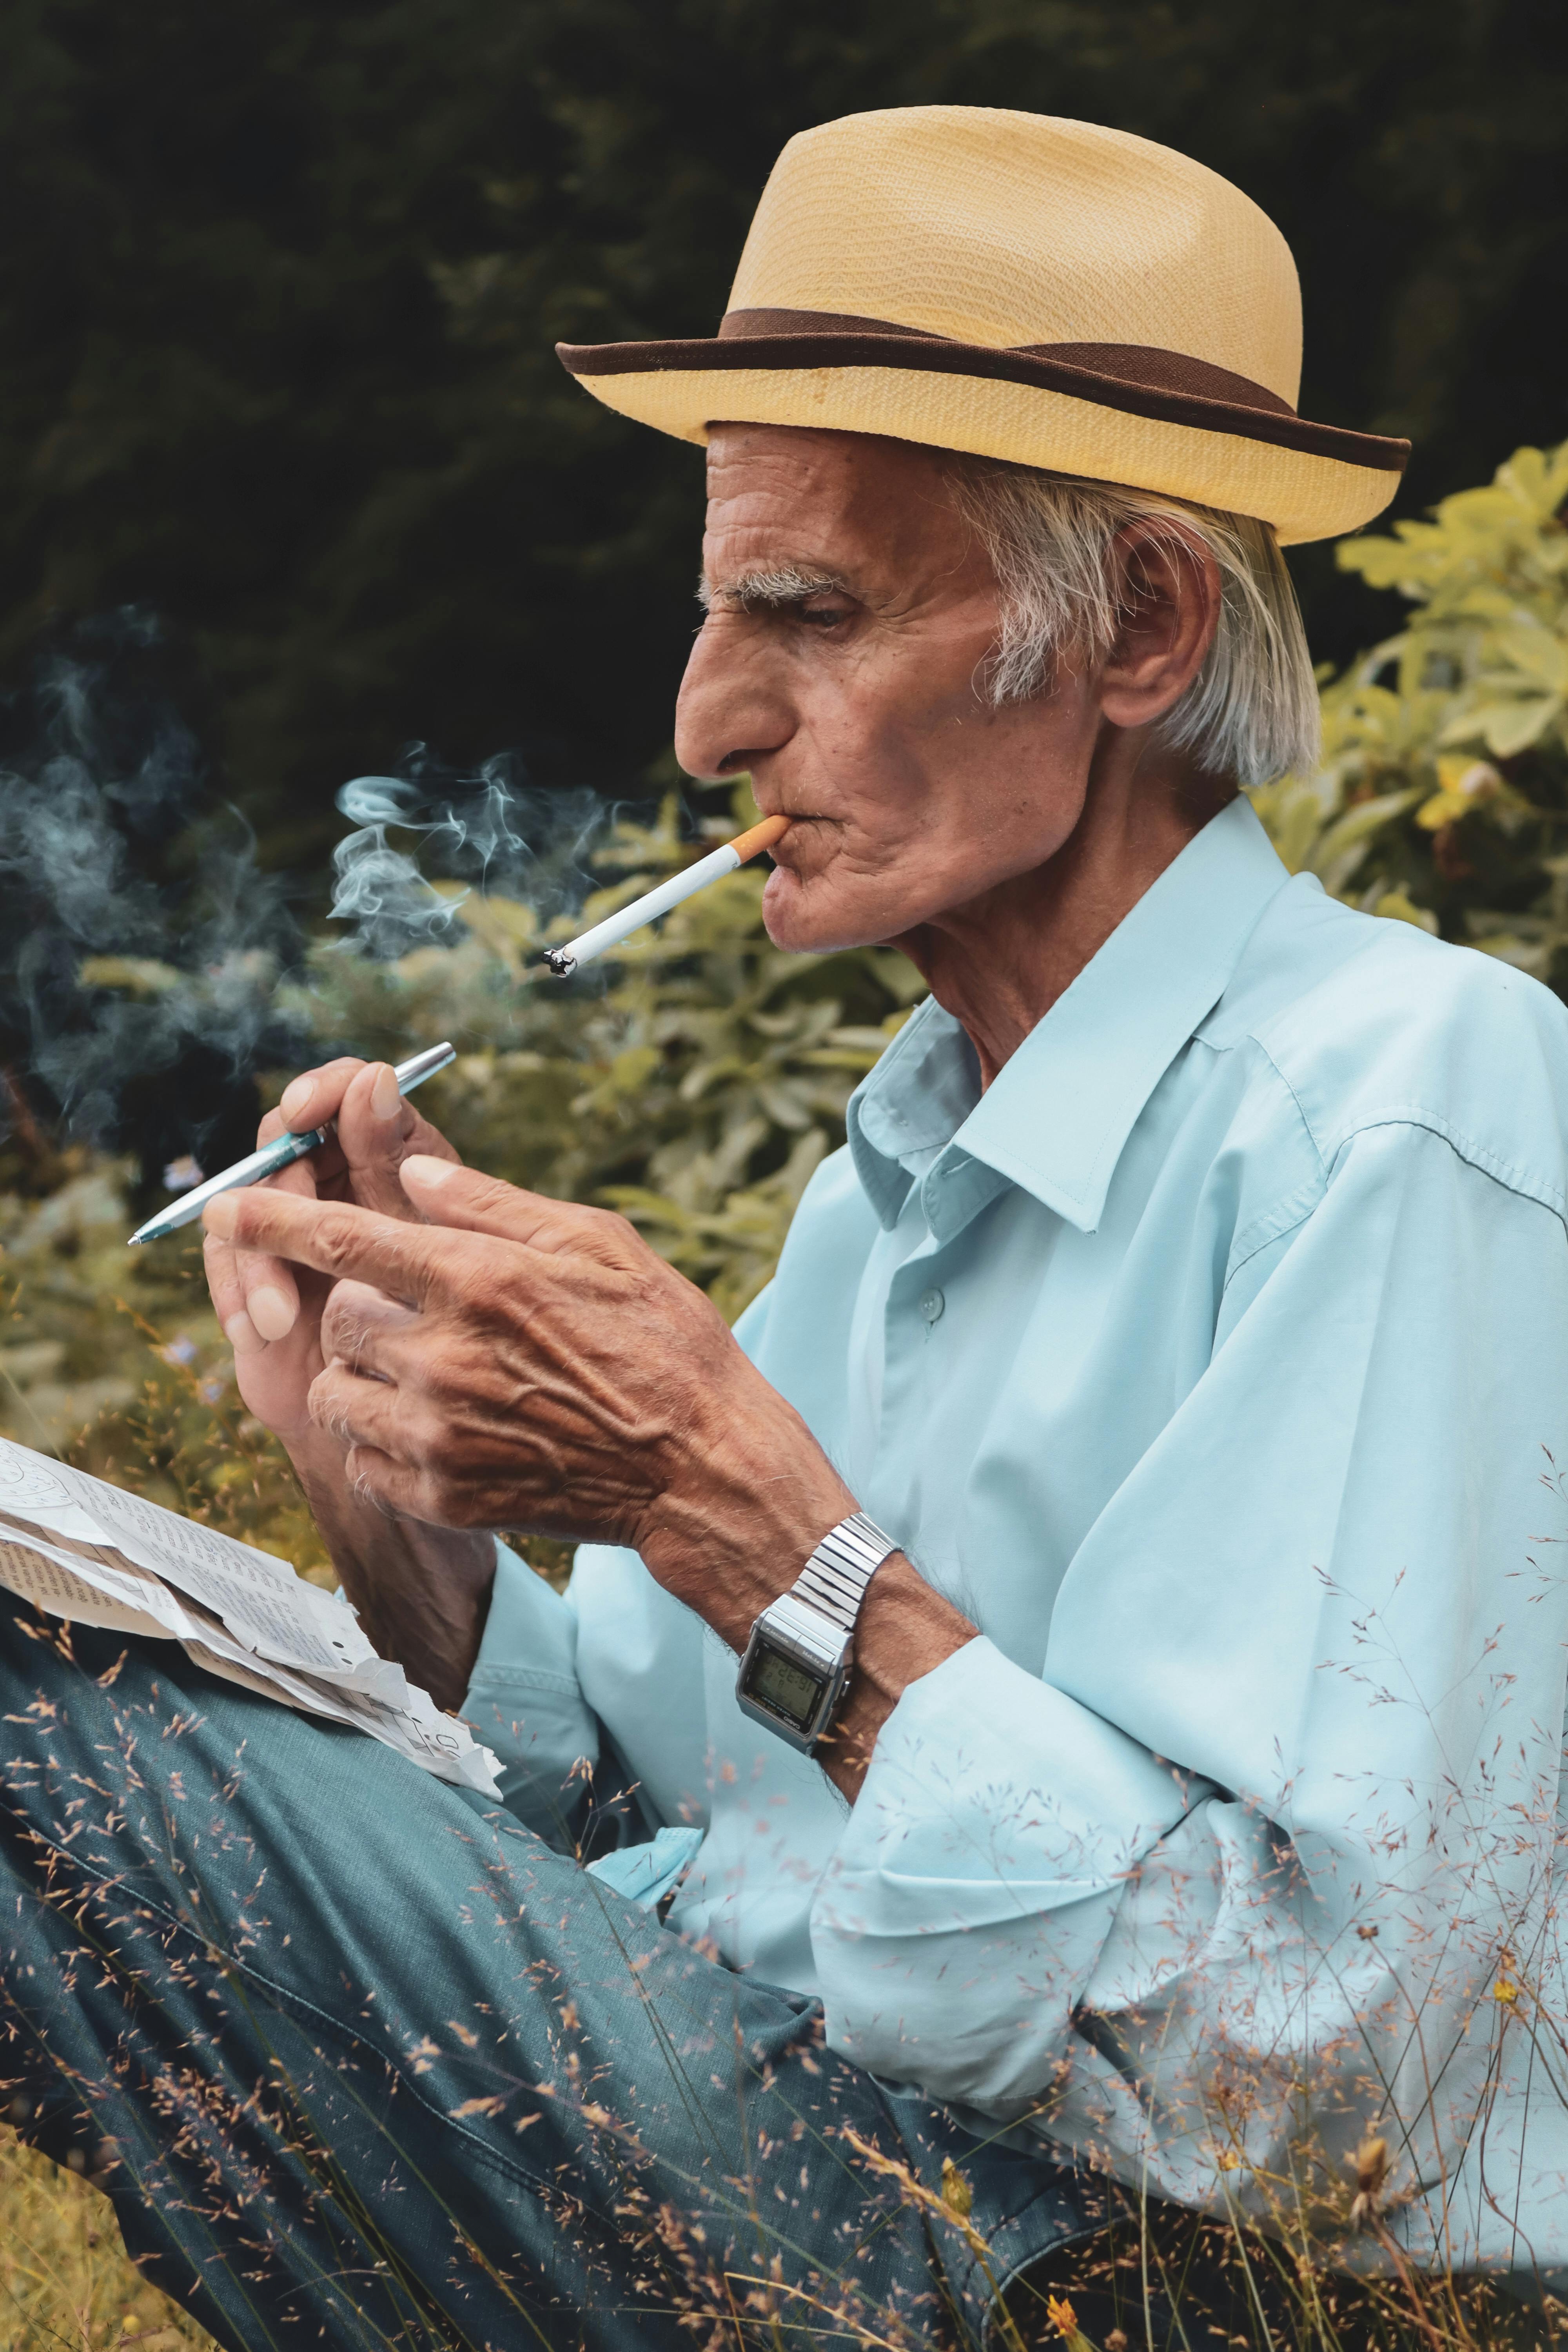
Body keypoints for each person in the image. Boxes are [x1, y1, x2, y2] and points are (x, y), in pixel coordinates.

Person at [5, 104, 1568, 2350]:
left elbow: (1350, 2093)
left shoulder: (1410, 1105)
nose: (710, 717)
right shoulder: (893, 1164)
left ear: (1135, 624)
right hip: (801, 2142)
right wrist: (416, 1539)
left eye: (808, 617)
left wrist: (753, 1527)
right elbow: (679, 1820)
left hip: (1114, 2278)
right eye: (716, 611)